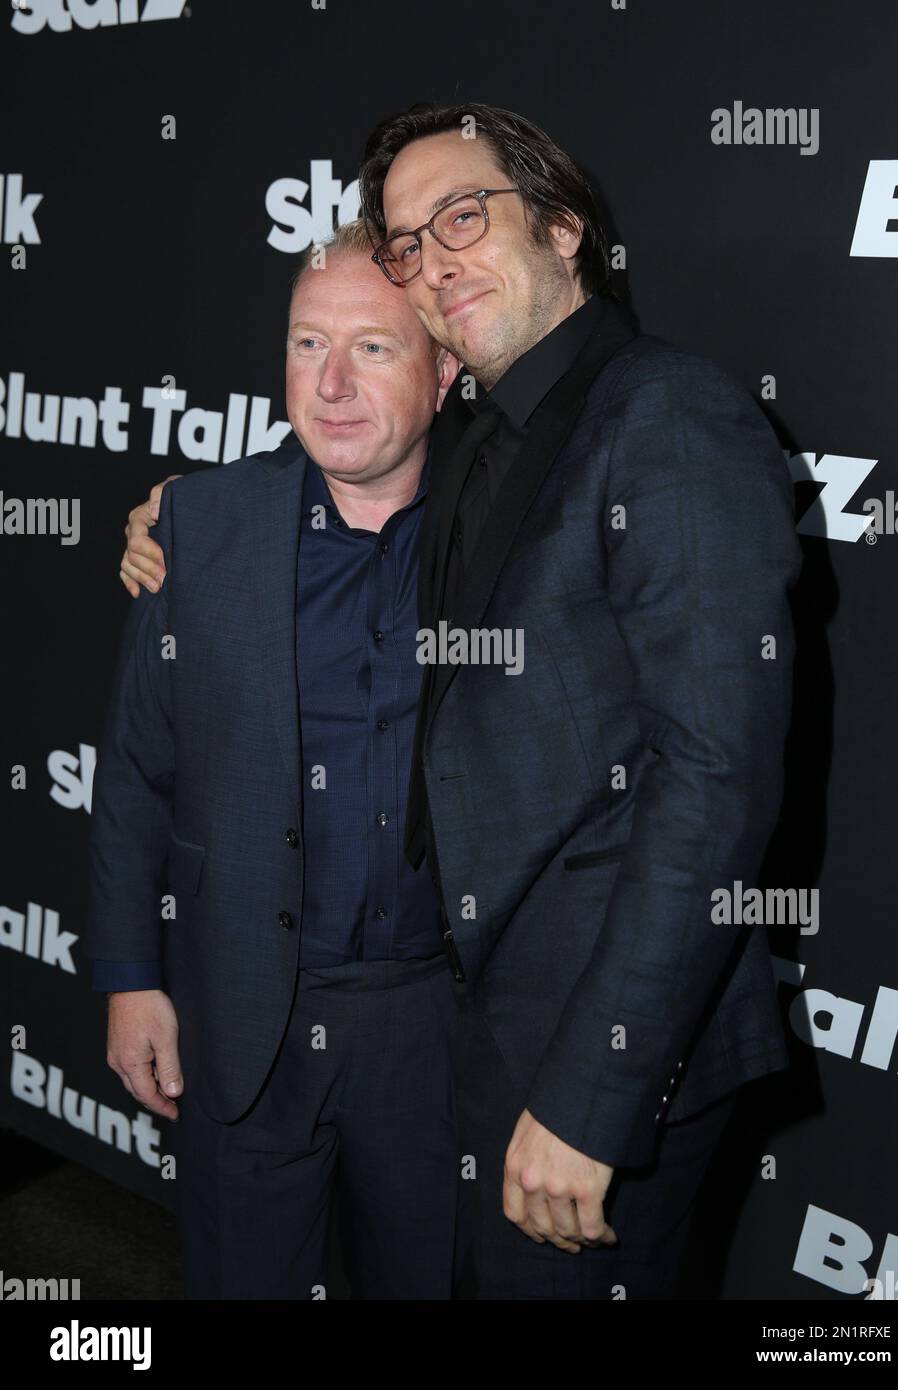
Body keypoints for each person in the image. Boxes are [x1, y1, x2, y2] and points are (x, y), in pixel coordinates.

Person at [121, 102, 802, 1299]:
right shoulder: (502, 439)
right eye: (406, 243)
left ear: (563, 228)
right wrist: (182, 516)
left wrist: (592, 1091)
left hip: (591, 1065)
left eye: (463, 217)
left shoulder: (666, 416)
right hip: (476, 1048)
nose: (432, 258)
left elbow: (716, 781)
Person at [86, 219, 464, 1299]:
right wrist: (129, 979)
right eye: (306, 344)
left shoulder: (506, 530)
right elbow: (135, 776)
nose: (330, 384)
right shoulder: (198, 526)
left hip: (432, 1027)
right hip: (245, 1004)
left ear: (442, 373)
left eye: (373, 349)